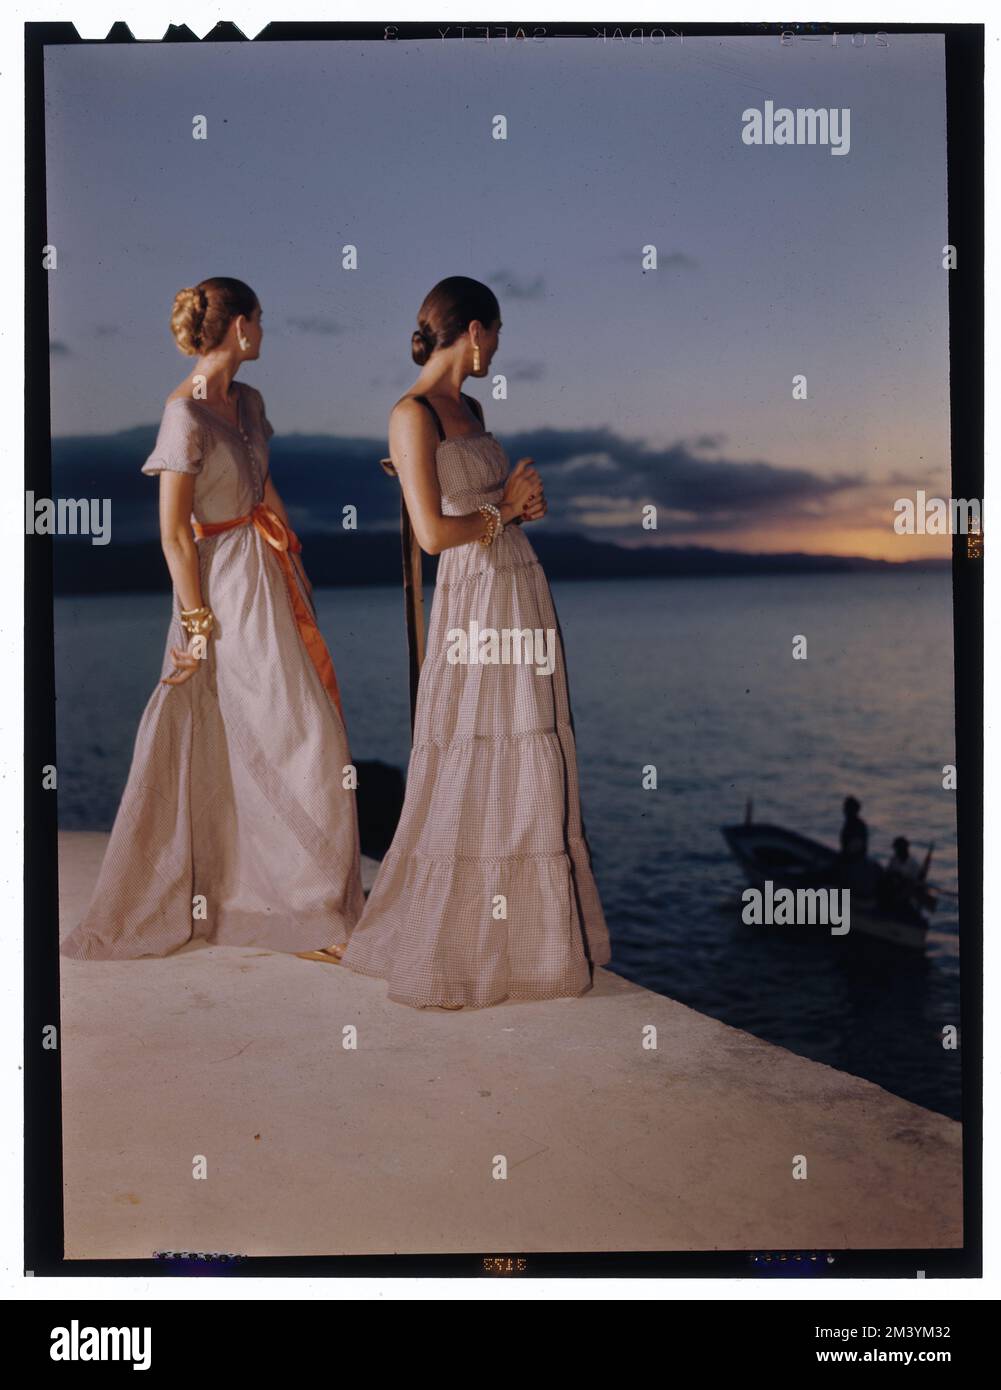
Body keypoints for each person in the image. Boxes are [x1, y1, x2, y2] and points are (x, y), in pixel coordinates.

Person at [300, 276, 611, 1009]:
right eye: (496, 334)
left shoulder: (470, 407)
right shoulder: (410, 416)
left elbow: (490, 517)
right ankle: (458, 939)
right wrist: (505, 509)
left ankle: (529, 944)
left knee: (527, 743)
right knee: (477, 745)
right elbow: (437, 536)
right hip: (473, 598)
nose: (498, 349)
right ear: (474, 329)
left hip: (517, 585)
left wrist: (519, 509)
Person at [61, 277, 365, 959]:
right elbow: (173, 532)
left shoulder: (249, 402)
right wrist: (196, 623)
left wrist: (298, 564)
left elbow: (265, 486)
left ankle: (307, 903)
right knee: (279, 738)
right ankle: (296, 911)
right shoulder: (184, 415)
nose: (264, 329)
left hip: (268, 572)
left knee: (304, 731)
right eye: (259, 317)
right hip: (220, 588)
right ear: (238, 328)